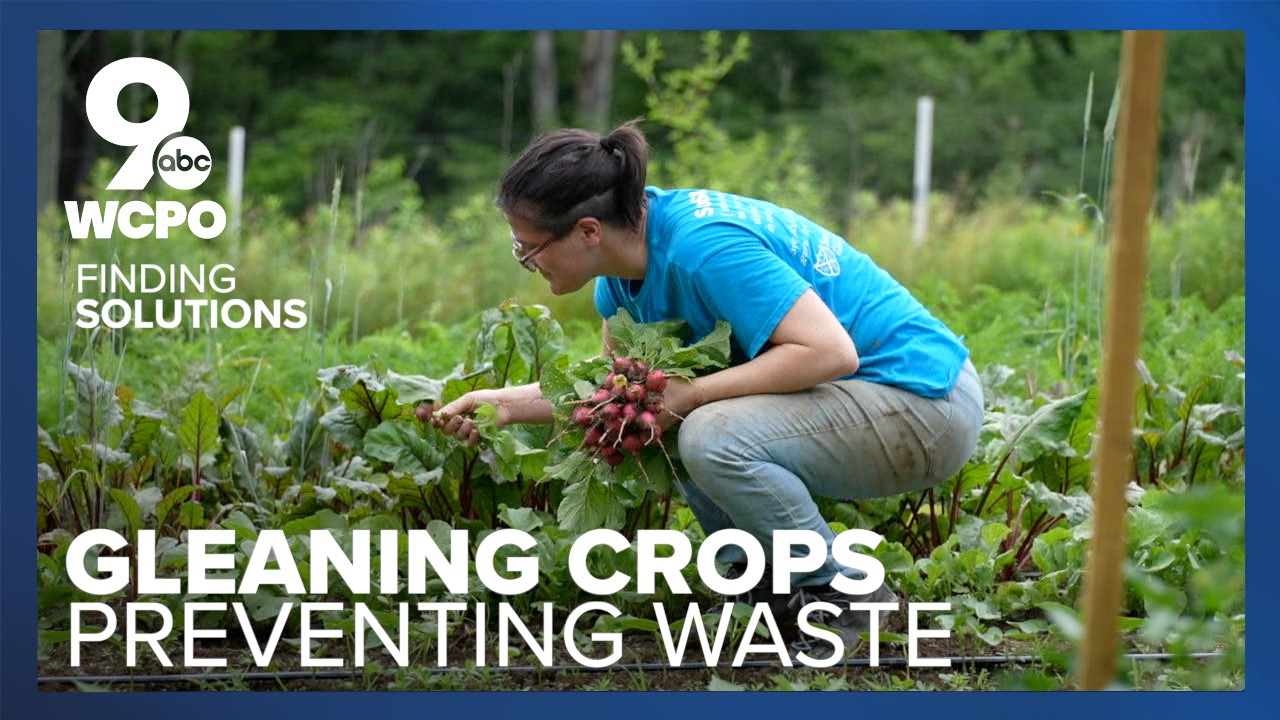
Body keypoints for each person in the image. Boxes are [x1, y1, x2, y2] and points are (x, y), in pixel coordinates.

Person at [436, 120, 984, 661]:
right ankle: (772, 597)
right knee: (654, 419)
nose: (527, 262)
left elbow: (830, 353)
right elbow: (613, 393)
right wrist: (501, 405)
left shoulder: (704, 247)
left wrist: (691, 393)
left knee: (709, 434)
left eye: (529, 249)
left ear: (587, 231)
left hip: (923, 402)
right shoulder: (622, 279)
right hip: (857, 403)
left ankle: (847, 593)